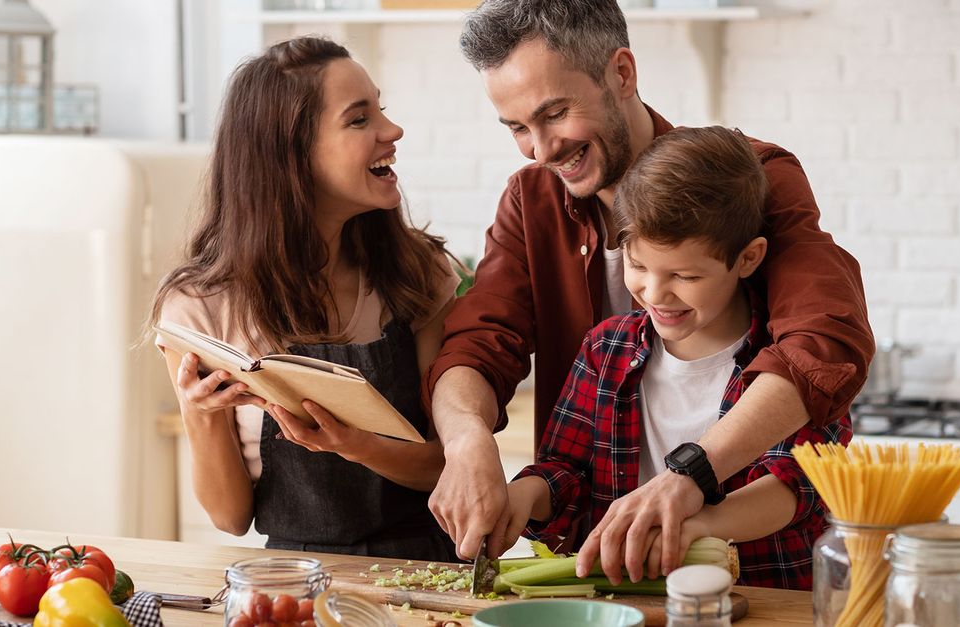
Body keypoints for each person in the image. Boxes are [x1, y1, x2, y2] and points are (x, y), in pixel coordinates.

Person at [423, 0, 874, 582]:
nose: (539, 150)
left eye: (555, 113)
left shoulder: (749, 178)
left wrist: (691, 478)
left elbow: (822, 344)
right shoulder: (531, 201)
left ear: (622, 73)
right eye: (516, 128)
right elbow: (479, 342)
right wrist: (465, 439)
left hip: (759, 580)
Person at [149, 36, 460, 560]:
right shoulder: (198, 310)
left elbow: (448, 466)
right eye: (359, 120)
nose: (392, 130)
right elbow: (230, 517)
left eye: (380, 109)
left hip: (424, 569)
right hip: (293, 581)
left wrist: (354, 444)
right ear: (290, 154)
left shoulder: (417, 273)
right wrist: (199, 414)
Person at [505, 127, 851, 590]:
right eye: (638, 265)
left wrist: (698, 527)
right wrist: (523, 496)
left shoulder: (789, 363)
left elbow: (800, 484)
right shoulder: (605, 349)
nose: (654, 292)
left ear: (748, 258)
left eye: (685, 275)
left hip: (765, 603)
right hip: (633, 607)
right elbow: (566, 473)